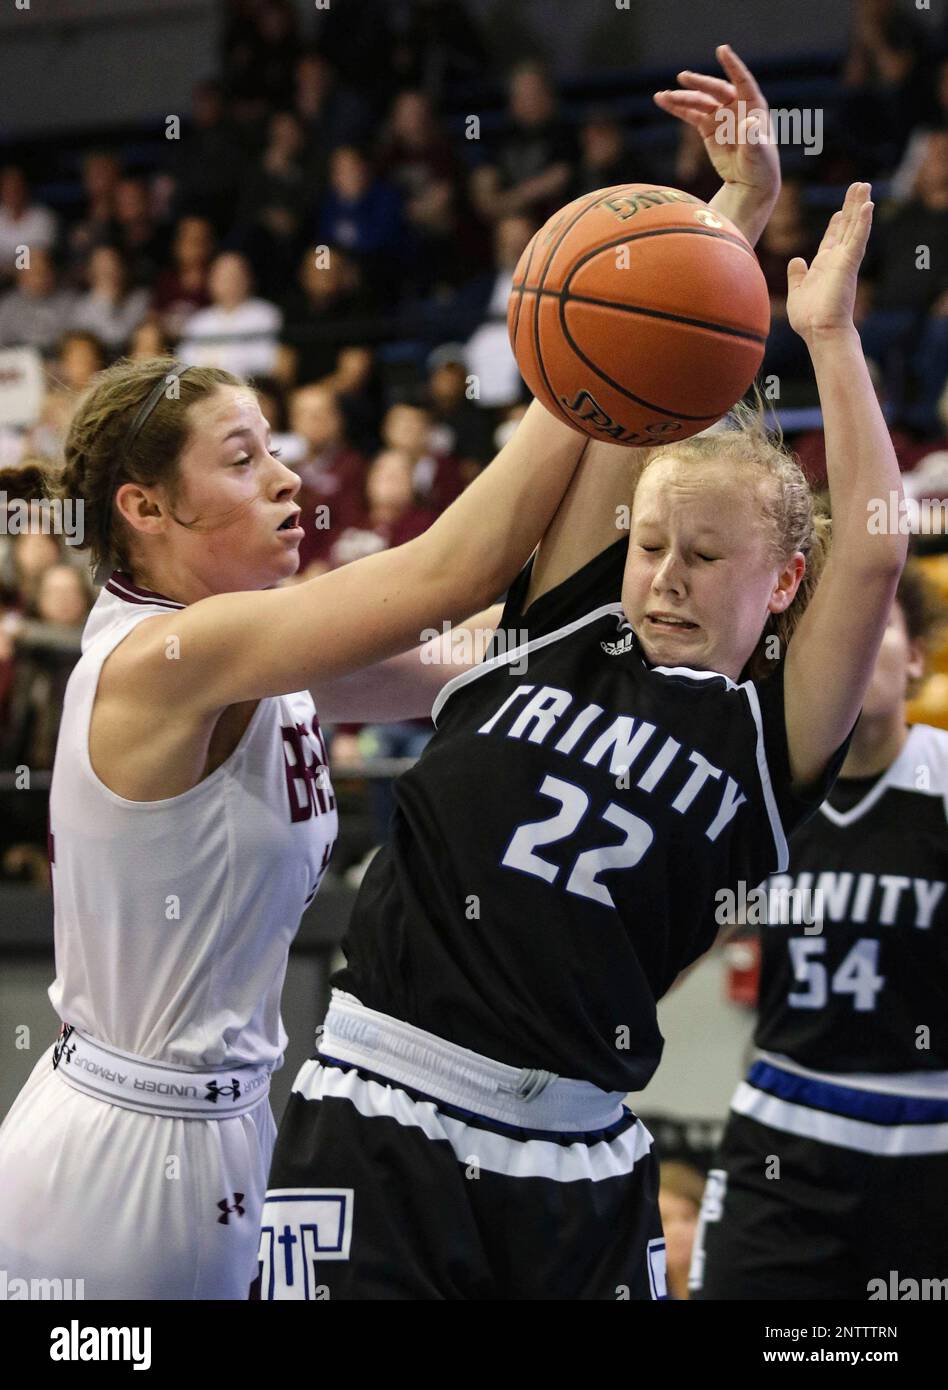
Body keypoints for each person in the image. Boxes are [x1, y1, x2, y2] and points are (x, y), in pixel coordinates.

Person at [259, 56, 905, 1300]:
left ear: (781, 585)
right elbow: (629, 365)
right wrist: (732, 219)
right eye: (651, 545)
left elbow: (873, 546)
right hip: (382, 1096)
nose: (662, 573)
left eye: (705, 556)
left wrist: (824, 332)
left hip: (577, 1139)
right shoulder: (562, 622)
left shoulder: (772, 735)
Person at [0, 354, 589, 1300]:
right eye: (241, 459)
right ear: (145, 510)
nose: (286, 479)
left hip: (216, 1124)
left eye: (275, 449)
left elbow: (483, 649)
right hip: (123, 1155)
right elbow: (450, 569)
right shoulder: (168, 657)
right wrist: (593, 367)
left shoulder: (247, 651)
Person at [689, 564, 948, 1301]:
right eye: (835, 630)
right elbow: (675, 952)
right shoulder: (756, 790)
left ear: (921, 656)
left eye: (881, 626)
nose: (858, 647)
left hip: (928, 1138)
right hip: (784, 1133)